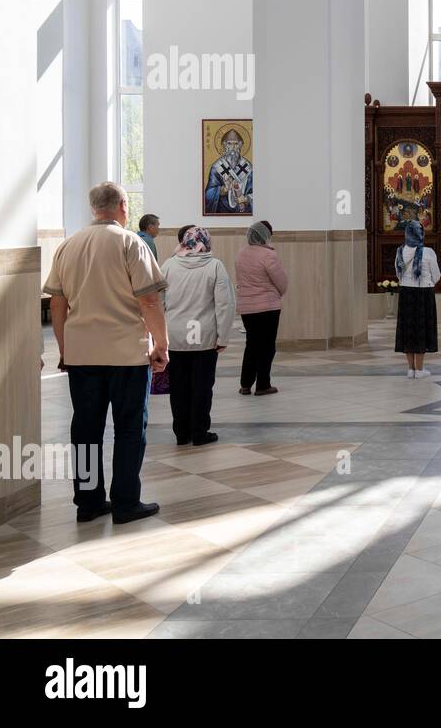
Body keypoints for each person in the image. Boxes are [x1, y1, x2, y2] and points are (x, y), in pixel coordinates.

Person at [44, 182, 168, 525]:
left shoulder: (68, 246)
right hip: (126, 354)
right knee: (129, 427)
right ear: (123, 206)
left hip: (82, 355)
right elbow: (149, 300)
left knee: (85, 429)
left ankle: (88, 502)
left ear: (93, 207)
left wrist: (66, 348)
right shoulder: (131, 243)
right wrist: (161, 344)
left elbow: (57, 304)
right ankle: (126, 502)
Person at [161, 226, 234, 446]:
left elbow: (158, 302)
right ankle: (200, 432)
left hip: (175, 337)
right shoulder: (215, 266)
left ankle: (181, 433)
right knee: (202, 387)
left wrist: (157, 335)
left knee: (179, 387)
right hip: (205, 338)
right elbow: (225, 304)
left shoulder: (168, 265)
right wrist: (223, 337)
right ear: (206, 242)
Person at [235, 221, 288, 396]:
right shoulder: (268, 255)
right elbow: (281, 282)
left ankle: (245, 384)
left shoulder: (241, 254)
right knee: (267, 346)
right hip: (268, 308)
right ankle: (263, 384)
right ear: (266, 235)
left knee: (251, 344)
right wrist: (279, 292)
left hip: (247, 308)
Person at [395, 220, 441, 378]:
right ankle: (420, 370)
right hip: (423, 294)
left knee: (407, 330)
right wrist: (427, 283)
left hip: (406, 293)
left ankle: (410, 369)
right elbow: (436, 275)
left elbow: (398, 274)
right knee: (422, 329)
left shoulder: (400, 251)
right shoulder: (428, 252)